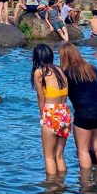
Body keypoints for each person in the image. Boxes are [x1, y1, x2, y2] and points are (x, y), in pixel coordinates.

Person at [59, 43, 97, 168]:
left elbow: (63, 97)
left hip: (85, 112)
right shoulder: (92, 69)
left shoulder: (66, 74)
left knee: (83, 150)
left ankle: (85, 184)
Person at [32, 43, 71, 175]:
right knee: (59, 156)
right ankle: (62, 185)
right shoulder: (60, 70)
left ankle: (52, 188)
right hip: (64, 112)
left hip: (50, 112)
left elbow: (41, 98)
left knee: (49, 157)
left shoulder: (39, 72)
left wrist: (42, 116)